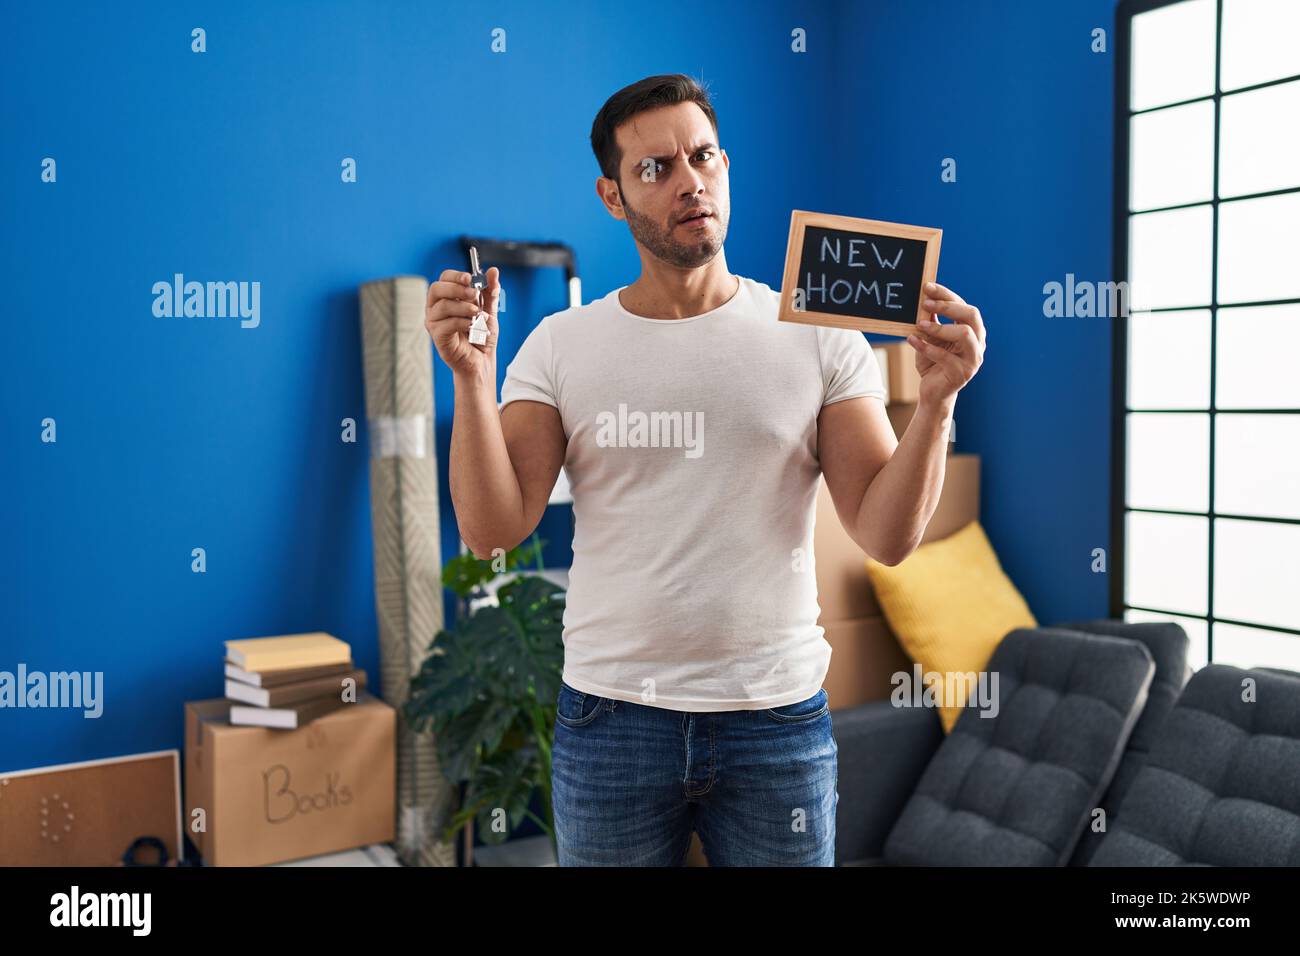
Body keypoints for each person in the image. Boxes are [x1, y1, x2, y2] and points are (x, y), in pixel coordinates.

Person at [424, 73, 985, 866]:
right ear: (612, 197)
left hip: (776, 720)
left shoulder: (819, 332)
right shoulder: (559, 343)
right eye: (656, 169)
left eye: (704, 156)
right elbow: (492, 527)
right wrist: (471, 379)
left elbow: (887, 536)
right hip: (611, 722)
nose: (690, 181)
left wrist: (936, 406)